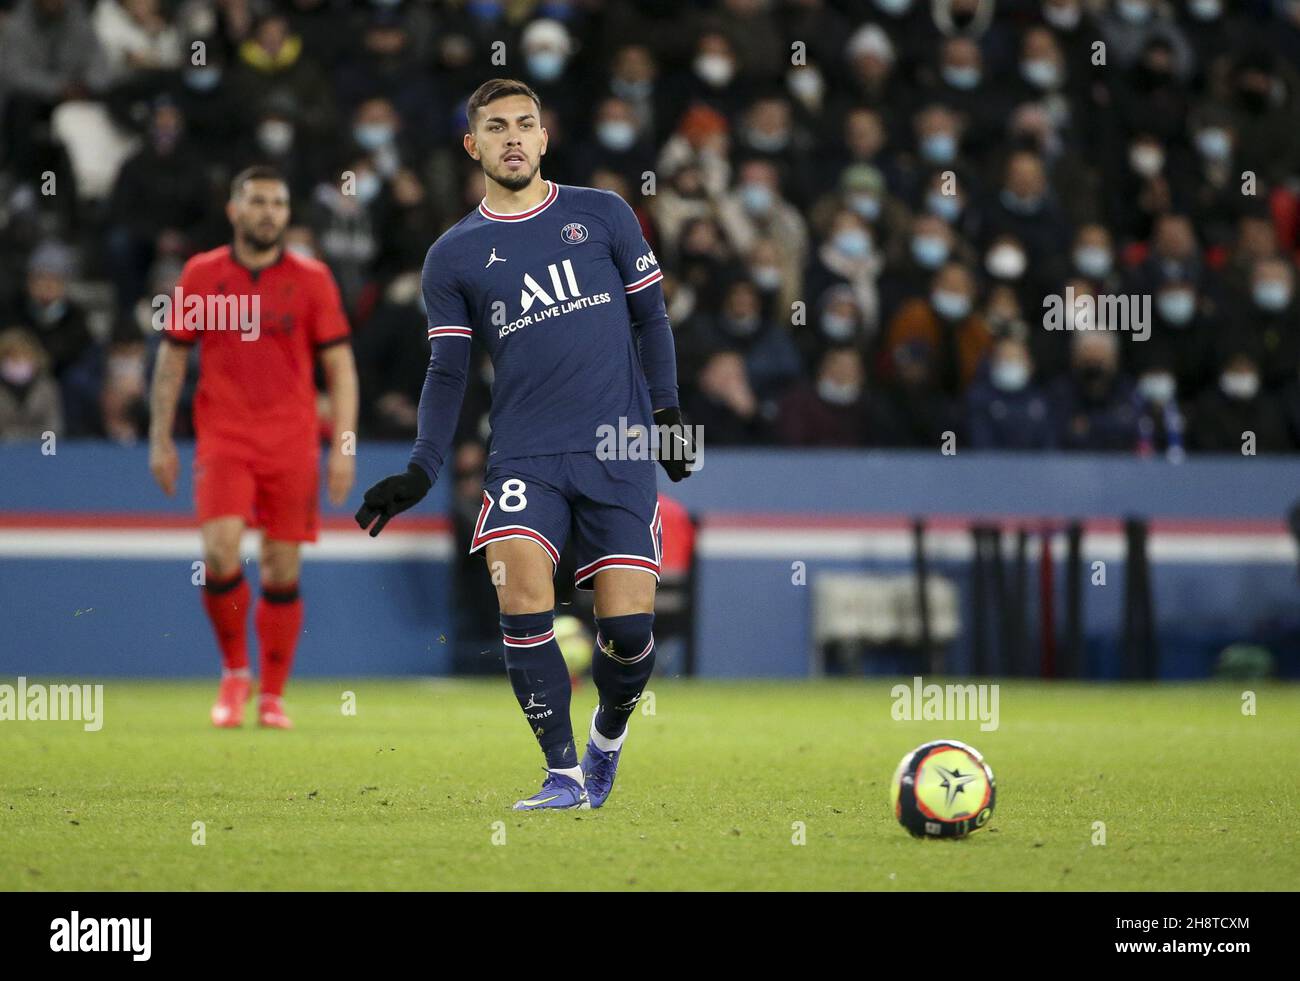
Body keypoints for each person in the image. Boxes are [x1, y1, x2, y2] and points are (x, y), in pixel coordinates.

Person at [354, 79, 693, 812]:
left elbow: (652, 320)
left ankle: (606, 739)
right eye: (497, 126)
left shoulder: (603, 213)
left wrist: (667, 413)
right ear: (472, 145)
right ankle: (563, 774)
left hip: (617, 447)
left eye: (526, 124)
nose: (513, 136)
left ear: (545, 138)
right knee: (524, 601)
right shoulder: (453, 255)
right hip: (524, 454)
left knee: (629, 633)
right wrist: (421, 466)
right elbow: (447, 370)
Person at [148, 165, 358, 730]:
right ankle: (236, 671)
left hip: (291, 439)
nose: (269, 213)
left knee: (281, 568)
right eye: (258, 202)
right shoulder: (201, 274)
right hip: (224, 435)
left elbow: (340, 367)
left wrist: (343, 444)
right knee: (219, 551)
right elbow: (172, 359)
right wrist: (160, 437)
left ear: (288, 214)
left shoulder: (312, 279)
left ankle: (274, 696)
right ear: (235, 211)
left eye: (279, 204)